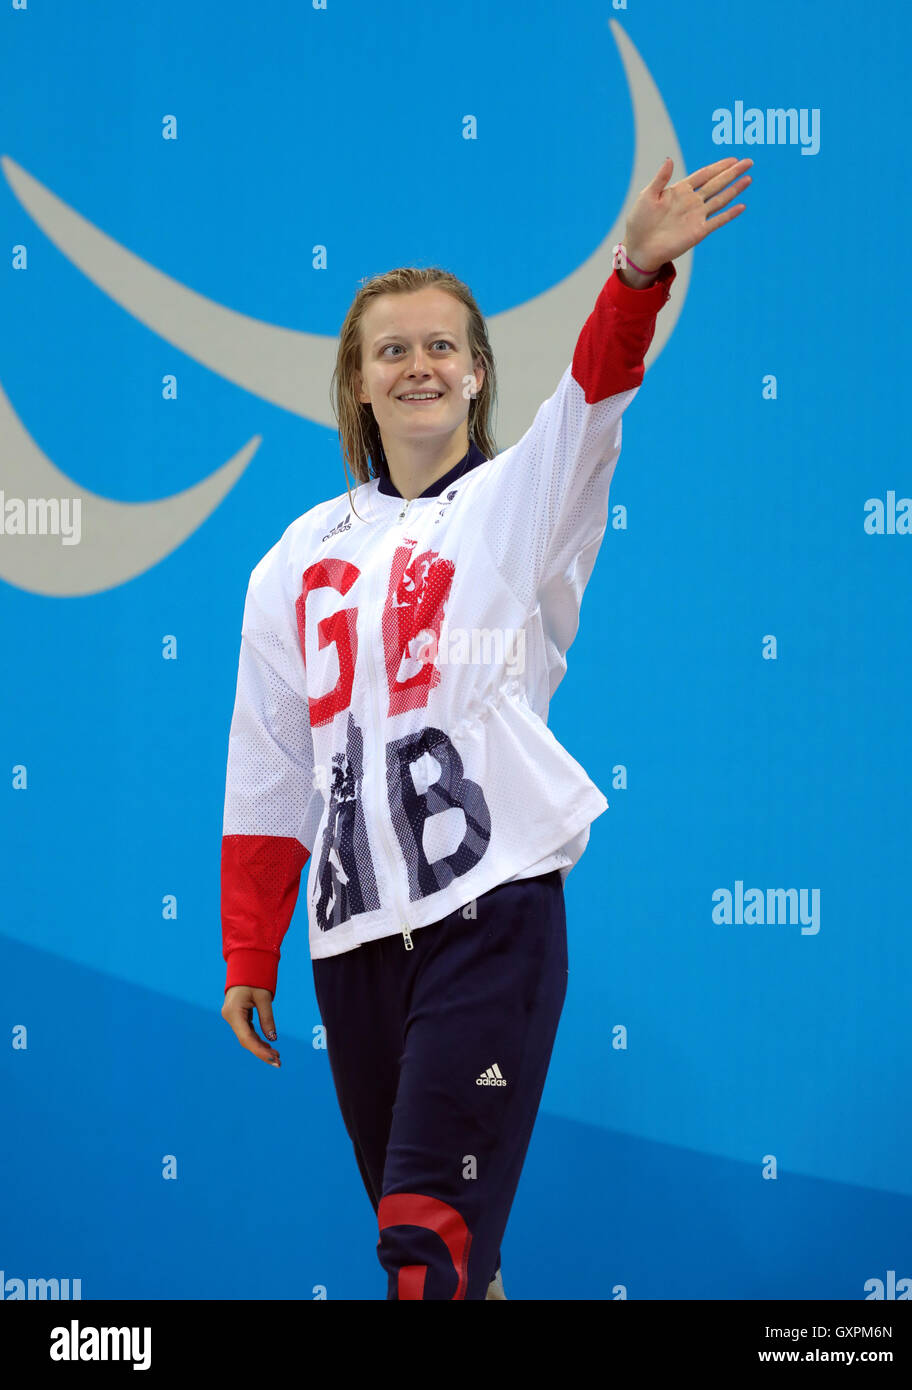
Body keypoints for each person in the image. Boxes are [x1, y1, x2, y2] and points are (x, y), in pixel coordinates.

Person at [220, 155, 753, 1300]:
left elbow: (596, 389)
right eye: (391, 349)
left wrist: (635, 269)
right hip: (350, 942)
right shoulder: (292, 557)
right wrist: (247, 946)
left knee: (425, 1249)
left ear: (476, 374)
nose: (418, 364)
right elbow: (269, 762)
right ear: (355, 385)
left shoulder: (523, 495)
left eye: (442, 345)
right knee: (467, 1267)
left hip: (489, 917)